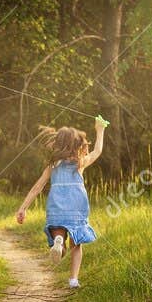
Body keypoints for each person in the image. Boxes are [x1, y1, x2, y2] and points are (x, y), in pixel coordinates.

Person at [15, 117, 106, 289]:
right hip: (76, 205)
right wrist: (100, 129)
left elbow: (37, 187)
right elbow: (97, 150)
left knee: (60, 239)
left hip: (57, 205)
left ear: (58, 144)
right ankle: (73, 280)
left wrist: (23, 208)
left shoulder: (53, 166)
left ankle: (58, 240)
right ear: (77, 145)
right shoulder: (80, 163)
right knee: (76, 245)